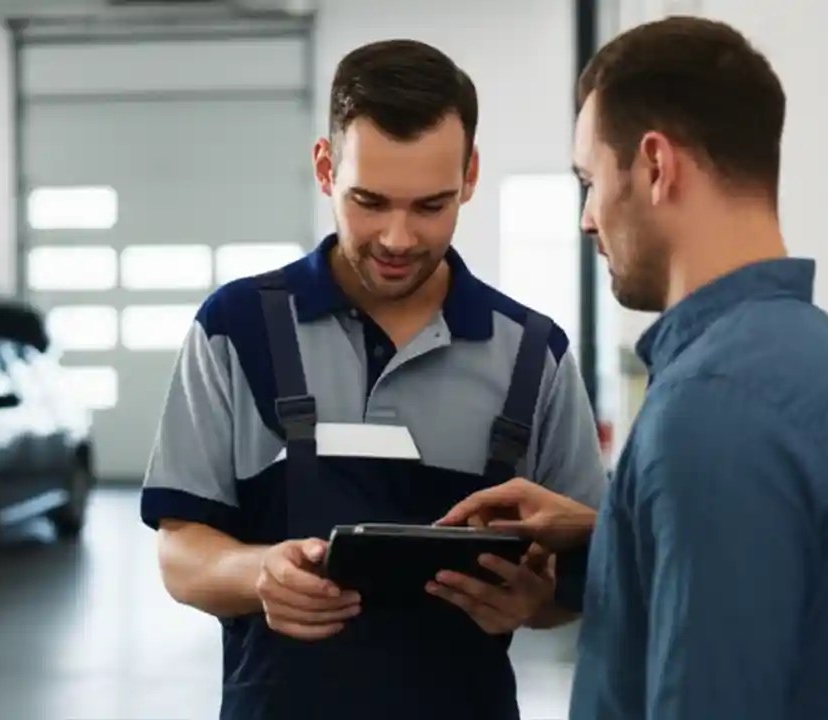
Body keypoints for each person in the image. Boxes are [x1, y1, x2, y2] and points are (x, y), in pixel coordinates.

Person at [438, 16, 828, 720]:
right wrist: (610, 538)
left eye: (590, 179)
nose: (586, 218)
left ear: (657, 166)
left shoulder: (711, 407)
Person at [140, 39, 605, 720]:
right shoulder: (234, 330)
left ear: (470, 176)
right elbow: (180, 551)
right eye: (370, 200)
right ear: (326, 168)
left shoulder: (534, 356)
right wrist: (259, 573)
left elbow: (579, 568)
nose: (396, 237)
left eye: (430, 206)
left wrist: (537, 605)